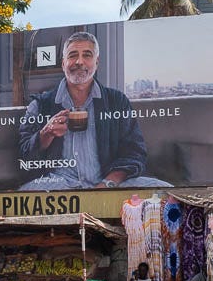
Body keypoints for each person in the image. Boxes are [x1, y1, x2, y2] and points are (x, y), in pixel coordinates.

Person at [17, 31, 172, 191]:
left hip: (107, 183)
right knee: (21, 198)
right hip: (58, 185)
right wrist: (46, 133)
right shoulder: (41, 104)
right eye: (72, 55)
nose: (79, 61)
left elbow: (135, 153)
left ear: (96, 62)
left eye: (87, 55)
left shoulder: (117, 101)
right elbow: (23, 156)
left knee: (168, 192)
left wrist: (106, 185)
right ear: (63, 64)